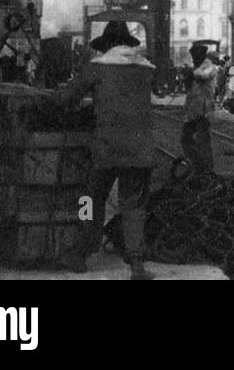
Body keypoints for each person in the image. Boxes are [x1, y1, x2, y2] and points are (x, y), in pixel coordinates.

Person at [52, 20, 157, 280]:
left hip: (106, 147)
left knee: (91, 198)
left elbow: (67, 98)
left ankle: (80, 254)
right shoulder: (146, 69)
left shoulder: (97, 67)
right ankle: (137, 266)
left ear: (107, 44)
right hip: (140, 148)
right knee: (133, 206)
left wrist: (55, 99)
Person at [182, 44, 223, 175]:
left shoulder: (209, 67)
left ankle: (207, 170)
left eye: (195, 59)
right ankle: (198, 166)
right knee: (185, 139)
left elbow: (202, 75)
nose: (194, 61)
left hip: (204, 111)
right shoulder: (197, 67)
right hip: (193, 110)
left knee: (203, 141)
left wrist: (190, 72)